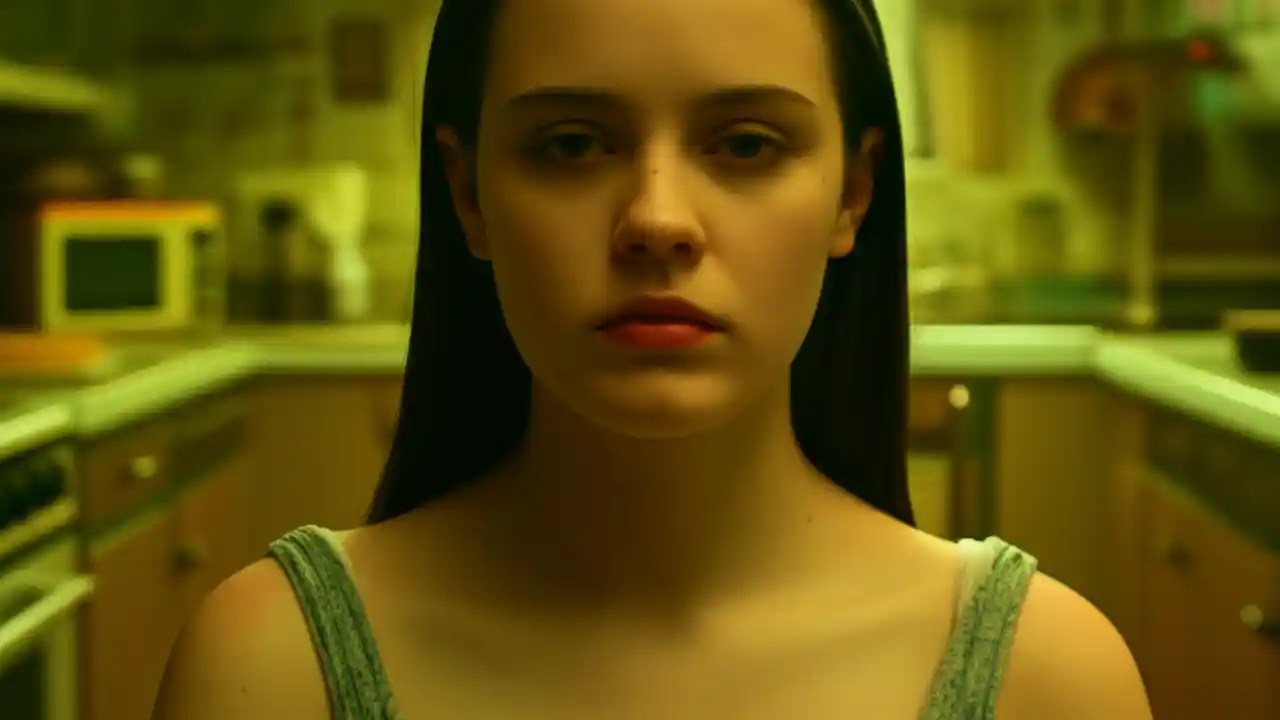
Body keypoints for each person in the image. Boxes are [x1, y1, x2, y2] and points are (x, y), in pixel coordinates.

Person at [152, 0, 1152, 717]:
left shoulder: (1044, 678)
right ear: (468, 194)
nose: (657, 220)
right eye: (571, 144)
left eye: (746, 144)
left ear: (853, 193)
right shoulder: (274, 668)